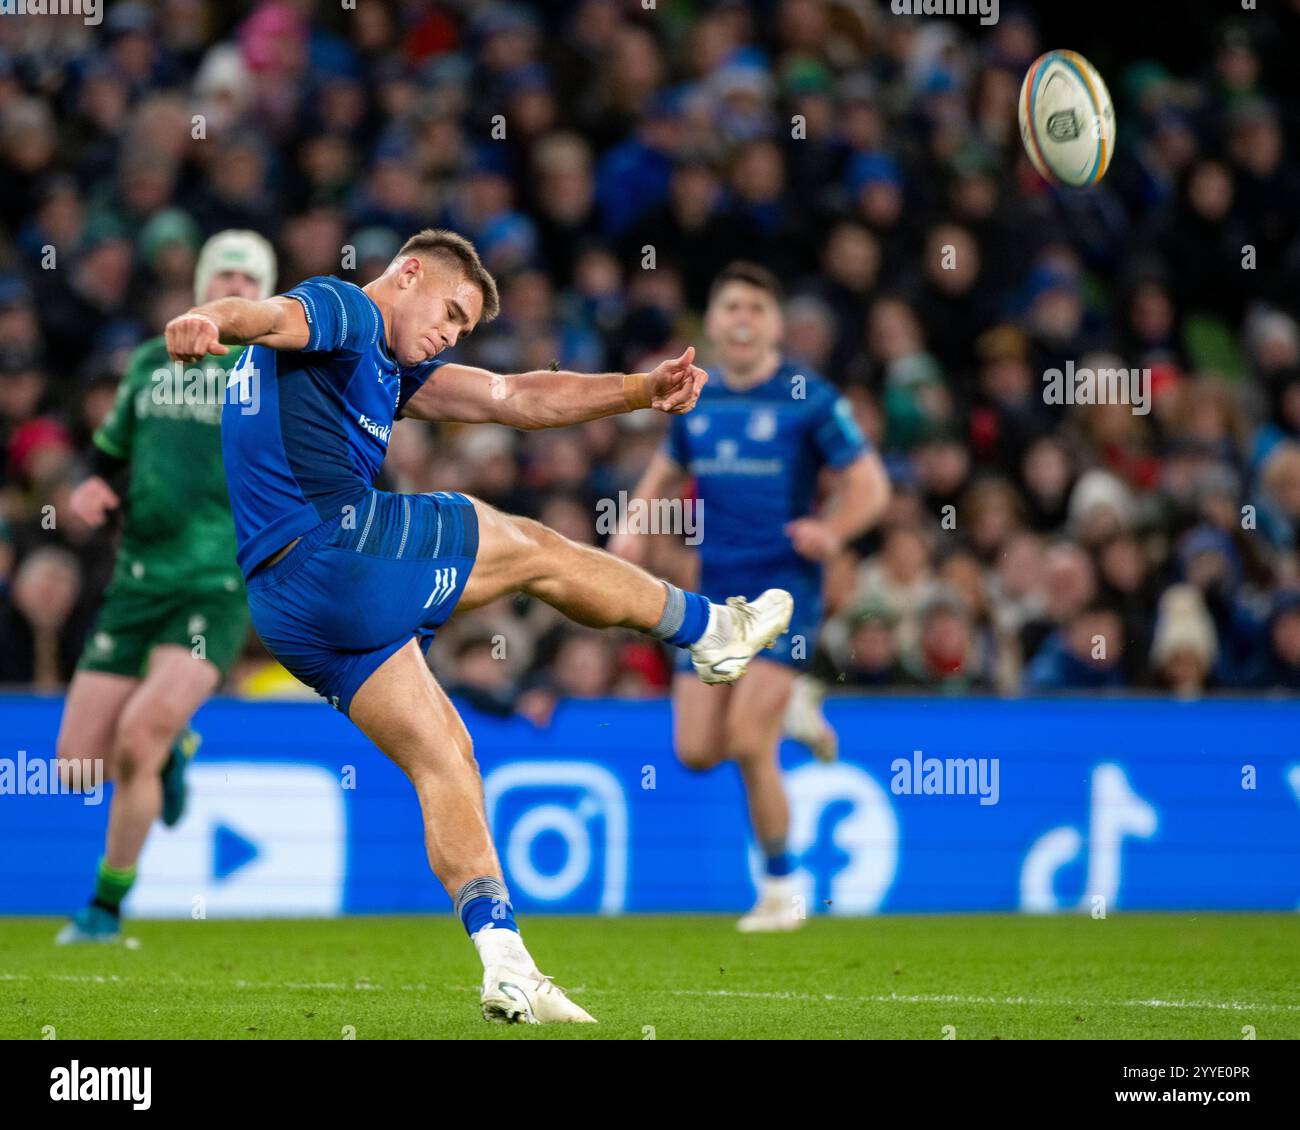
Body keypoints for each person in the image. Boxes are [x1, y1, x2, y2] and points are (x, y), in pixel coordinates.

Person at [164, 228, 793, 1024]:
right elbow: (262, 315)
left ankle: (506, 963)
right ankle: (710, 631)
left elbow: (514, 398)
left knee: (447, 757)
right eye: (451, 312)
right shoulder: (346, 309)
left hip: (289, 608)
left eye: (463, 330)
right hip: (334, 548)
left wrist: (638, 391)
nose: (450, 334)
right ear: (411, 273)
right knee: (532, 546)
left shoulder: (385, 365)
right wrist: (205, 320)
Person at [610, 262, 890, 931]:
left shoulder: (808, 397)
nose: (742, 319)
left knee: (745, 737)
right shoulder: (696, 401)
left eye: (756, 309)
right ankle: (796, 707)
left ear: (776, 325)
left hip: (786, 589)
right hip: (714, 595)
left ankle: (781, 889)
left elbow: (871, 486)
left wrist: (833, 529)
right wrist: (631, 529)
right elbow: (662, 470)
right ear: (711, 321)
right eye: (731, 306)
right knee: (696, 750)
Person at [54, 230, 277, 943]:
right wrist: (90, 485)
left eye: (249, 280)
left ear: (264, 292)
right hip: (136, 581)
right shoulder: (151, 361)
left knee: (135, 742)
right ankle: (177, 744)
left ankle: (104, 910)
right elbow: (110, 451)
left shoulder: (271, 369)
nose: (236, 288)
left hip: (213, 584)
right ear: (203, 287)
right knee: (75, 770)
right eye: (225, 277)